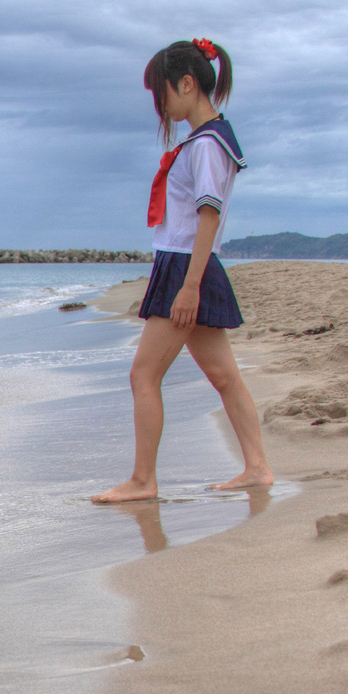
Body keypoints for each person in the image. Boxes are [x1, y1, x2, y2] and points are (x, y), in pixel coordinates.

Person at [93, 38, 273, 504]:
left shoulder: (207, 144)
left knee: (143, 375)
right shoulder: (208, 139)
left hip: (186, 266)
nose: (161, 105)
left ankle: (143, 481)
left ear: (187, 84)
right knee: (224, 376)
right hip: (189, 264)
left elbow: (208, 216)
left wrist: (189, 287)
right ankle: (257, 468)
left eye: (163, 93)